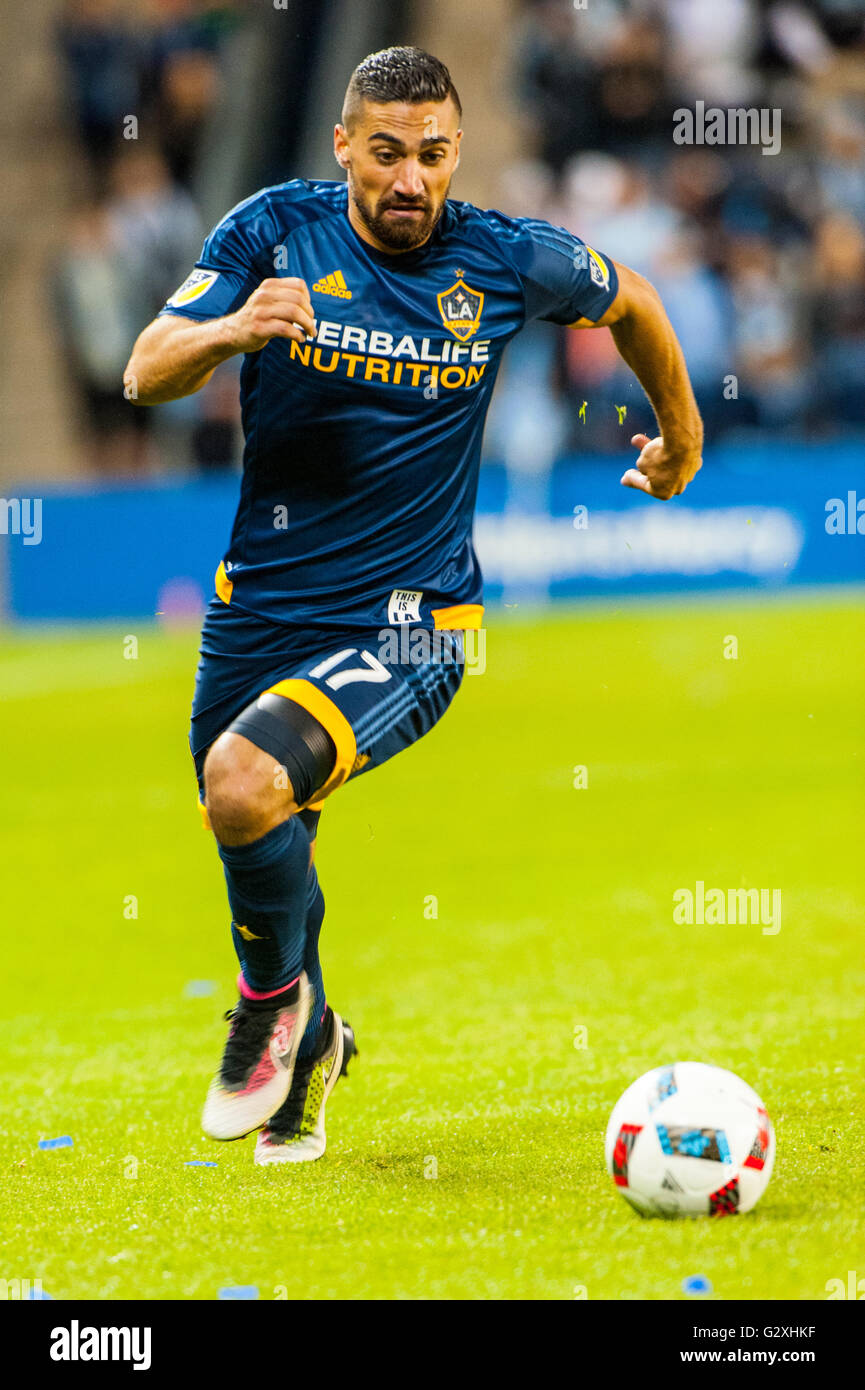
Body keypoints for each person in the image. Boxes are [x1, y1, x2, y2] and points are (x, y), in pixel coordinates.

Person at [123, 46, 702, 1166]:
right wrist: (231, 332)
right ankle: (315, 1042)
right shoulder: (272, 232)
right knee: (253, 819)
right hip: (259, 611)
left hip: (412, 627)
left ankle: (268, 1007)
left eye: (432, 154)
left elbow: (633, 299)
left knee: (244, 786)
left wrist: (680, 435)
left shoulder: (501, 257)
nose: (409, 179)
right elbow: (147, 370)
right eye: (385, 152)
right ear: (344, 145)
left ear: (456, 153)